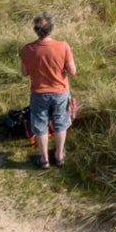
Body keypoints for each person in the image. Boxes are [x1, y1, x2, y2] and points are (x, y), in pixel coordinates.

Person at [19, 13, 75, 169]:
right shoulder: (63, 46)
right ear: (51, 28)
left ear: (36, 30)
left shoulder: (27, 49)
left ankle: (44, 160)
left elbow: (24, 73)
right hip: (60, 92)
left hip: (38, 93)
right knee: (60, 123)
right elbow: (72, 71)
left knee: (40, 125)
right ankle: (59, 155)